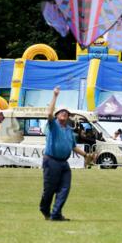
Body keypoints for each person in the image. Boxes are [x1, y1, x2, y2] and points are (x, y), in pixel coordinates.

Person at [39, 86, 90, 221]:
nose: (64, 114)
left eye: (66, 112)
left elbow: (73, 146)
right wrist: (55, 96)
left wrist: (86, 155)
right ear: (57, 115)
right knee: (50, 189)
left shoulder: (68, 130)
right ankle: (44, 209)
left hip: (63, 163)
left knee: (65, 188)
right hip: (51, 161)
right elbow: (48, 114)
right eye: (61, 112)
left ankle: (56, 214)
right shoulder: (53, 125)